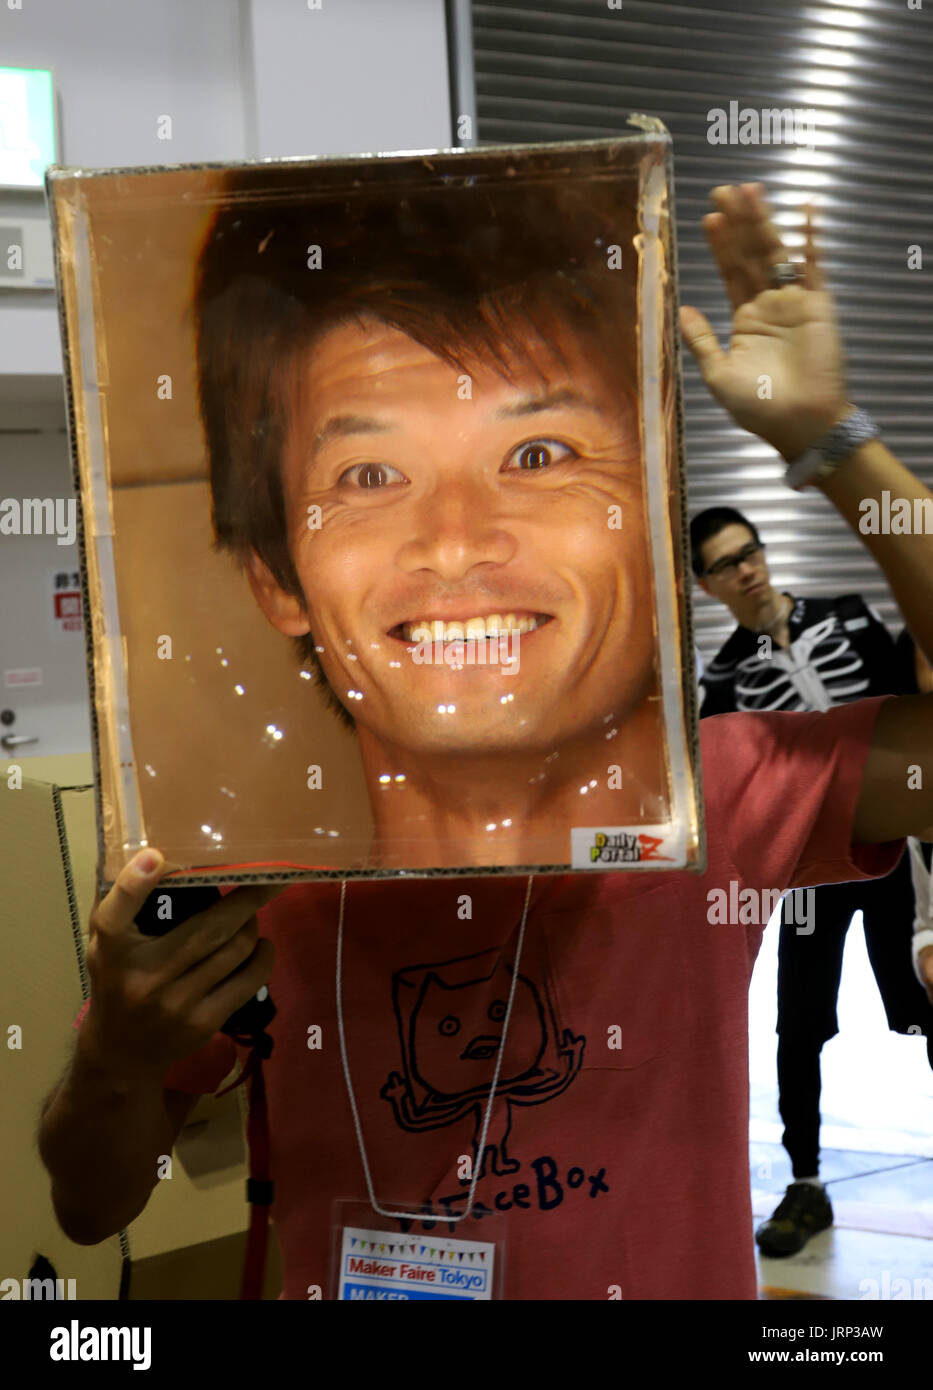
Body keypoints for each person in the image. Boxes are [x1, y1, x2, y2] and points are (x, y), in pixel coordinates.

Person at [38, 184, 933, 1300]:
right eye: (370, 475)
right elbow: (88, 1206)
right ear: (278, 579)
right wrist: (117, 1059)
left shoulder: (730, 789)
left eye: (542, 451)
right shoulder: (250, 886)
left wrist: (832, 439)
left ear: (646, 526)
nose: (458, 542)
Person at [691, 521, 933, 1259]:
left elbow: (912, 720)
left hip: (897, 854)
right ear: (704, 585)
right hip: (805, 877)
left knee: (929, 1005)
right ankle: (803, 1184)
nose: (746, 572)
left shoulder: (851, 617)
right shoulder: (725, 681)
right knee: (798, 1026)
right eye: (725, 566)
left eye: (750, 553)